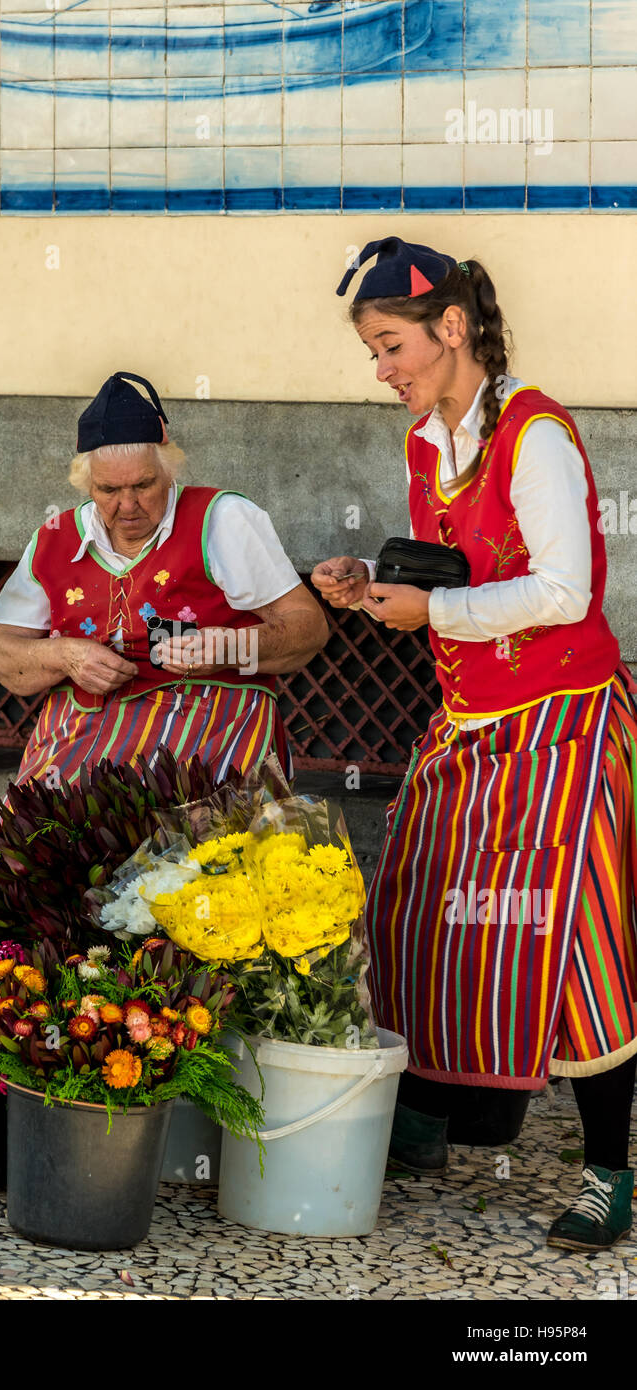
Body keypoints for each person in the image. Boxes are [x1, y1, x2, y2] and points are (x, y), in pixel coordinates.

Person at [312, 236, 637, 1252]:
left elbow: (562, 590)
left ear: (451, 329)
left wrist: (433, 606)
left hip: (564, 721)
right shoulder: (427, 442)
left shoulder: (533, 432)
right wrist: (371, 580)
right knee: (415, 907)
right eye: (372, 351)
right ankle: (430, 1117)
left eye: (390, 344)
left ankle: (607, 1169)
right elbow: (453, 567)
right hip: (471, 721)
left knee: (575, 939)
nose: (381, 369)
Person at [0, 370, 327, 789]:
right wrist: (66, 657)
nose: (128, 505)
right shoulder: (53, 539)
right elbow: (3, 656)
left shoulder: (222, 519)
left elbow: (308, 629)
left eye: (143, 485)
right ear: (87, 484)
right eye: (108, 490)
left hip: (208, 728)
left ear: (168, 471)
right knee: (40, 840)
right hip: (82, 738)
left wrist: (230, 647)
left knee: (183, 841)